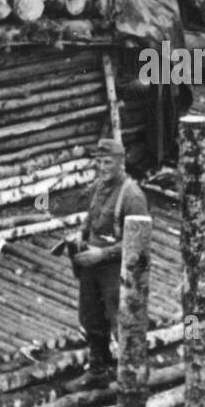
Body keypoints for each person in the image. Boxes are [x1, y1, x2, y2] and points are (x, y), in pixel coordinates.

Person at [70, 138, 149, 387]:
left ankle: (131, 374)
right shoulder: (98, 187)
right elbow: (91, 219)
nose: (102, 167)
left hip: (117, 268)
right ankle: (98, 370)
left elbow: (139, 242)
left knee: (121, 321)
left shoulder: (132, 195)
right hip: (91, 265)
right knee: (92, 317)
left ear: (121, 162)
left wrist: (102, 255)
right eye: (99, 162)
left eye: (107, 162)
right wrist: (79, 236)